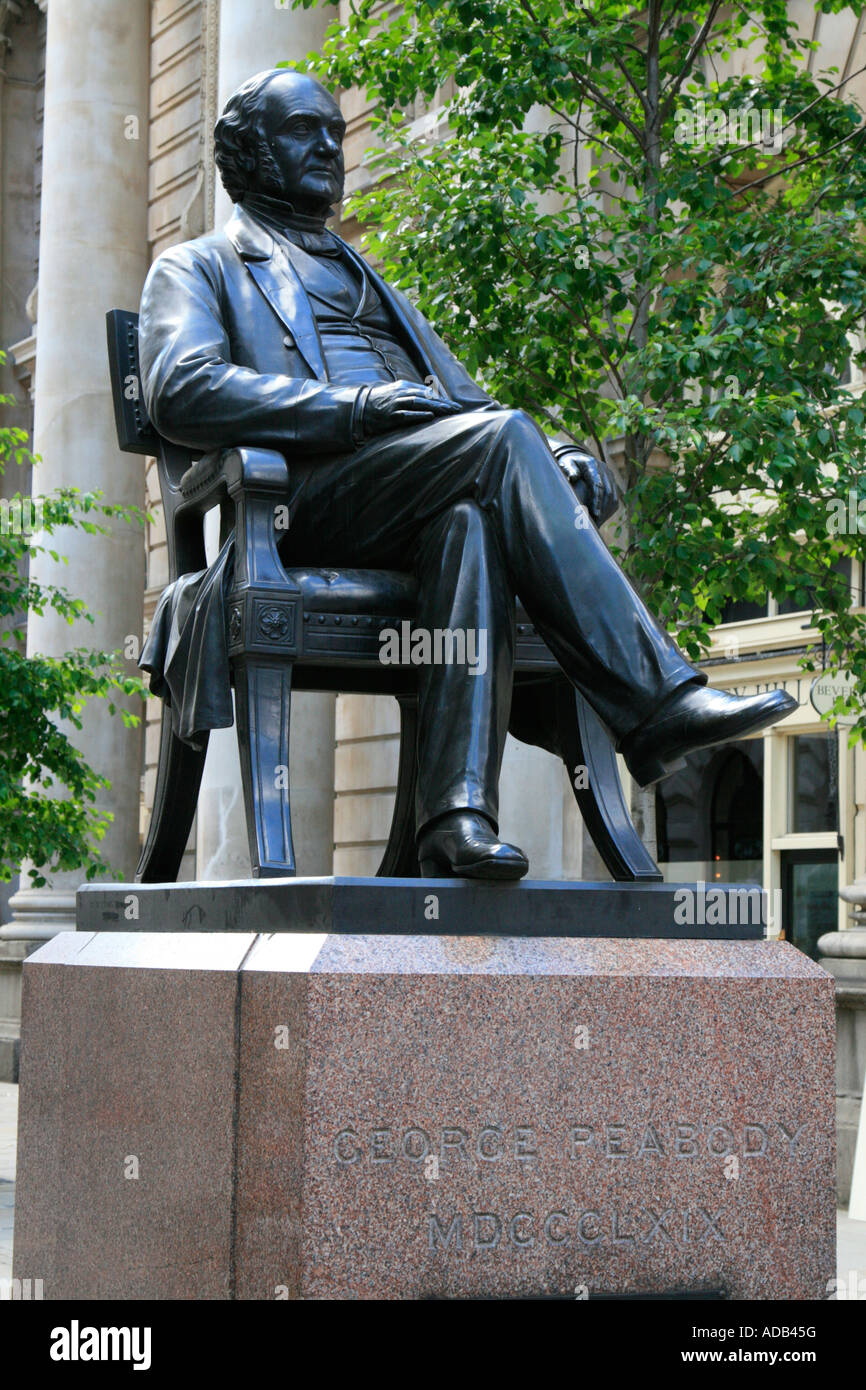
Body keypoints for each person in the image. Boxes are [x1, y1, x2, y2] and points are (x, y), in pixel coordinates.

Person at [137, 69, 795, 881]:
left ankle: (453, 815)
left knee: (470, 522)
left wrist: (558, 455)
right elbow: (180, 388)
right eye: (305, 129)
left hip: (416, 495)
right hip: (297, 507)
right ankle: (657, 701)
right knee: (493, 451)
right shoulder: (198, 267)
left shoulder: (370, 278)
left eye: (338, 133)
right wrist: (354, 410)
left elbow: (473, 405)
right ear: (248, 150)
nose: (330, 147)